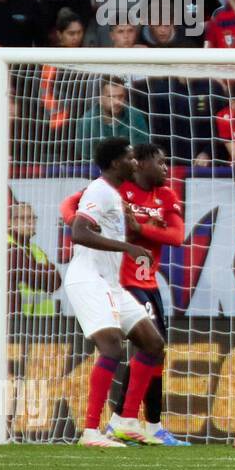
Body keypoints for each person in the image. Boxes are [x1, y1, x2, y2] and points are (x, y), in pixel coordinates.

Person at [58, 144, 187, 446]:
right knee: (112, 348)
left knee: (153, 344)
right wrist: (127, 247)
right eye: (130, 158)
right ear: (117, 163)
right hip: (88, 279)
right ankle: (91, 431)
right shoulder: (99, 191)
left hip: (111, 283)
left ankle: (126, 421)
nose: (134, 162)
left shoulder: (115, 195)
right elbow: (79, 232)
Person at [74, 76, 148, 160]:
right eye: (111, 97)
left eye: (121, 96)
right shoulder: (87, 122)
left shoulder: (136, 116)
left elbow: (141, 151)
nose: (117, 102)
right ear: (100, 99)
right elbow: (86, 157)